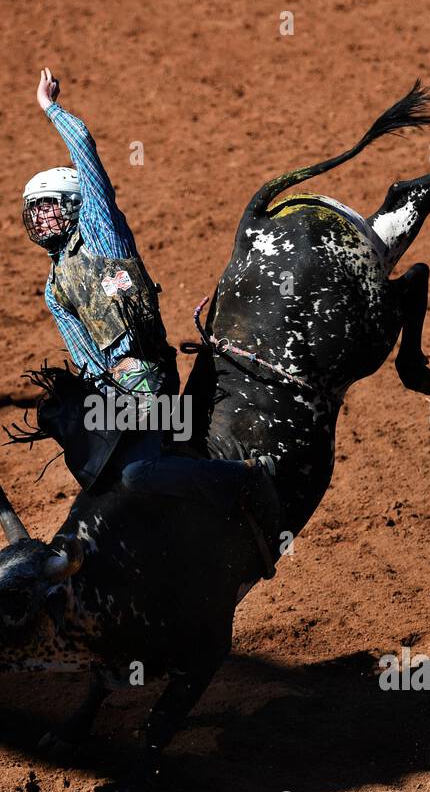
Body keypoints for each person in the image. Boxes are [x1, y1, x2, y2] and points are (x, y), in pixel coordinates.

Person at [23, 67, 278, 532]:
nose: (40, 218)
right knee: (99, 479)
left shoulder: (101, 233)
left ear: (77, 205)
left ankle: (243, 483)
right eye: (34, 210)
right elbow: (86, 357)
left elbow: (83, 146)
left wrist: (51, 108)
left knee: (138, 472)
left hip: (149, 374)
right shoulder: (54, 285)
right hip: (116, 391)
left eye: (50, 205)